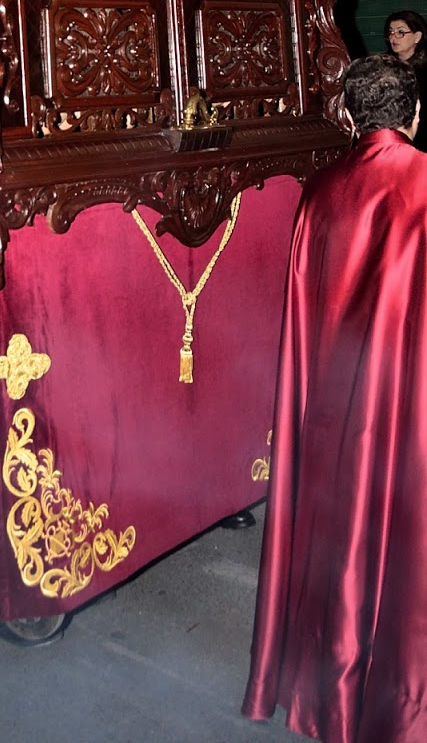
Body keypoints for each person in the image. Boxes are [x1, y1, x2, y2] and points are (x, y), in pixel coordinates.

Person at [243, 53, 427, 742]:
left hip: (332, 410)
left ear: (348, 116)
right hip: (412, 409)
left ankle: (328, 695)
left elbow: (302, 315)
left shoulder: (320, 191)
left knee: (339, 541)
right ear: (416, 115)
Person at [384, 9, 427, 152]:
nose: (393, 37)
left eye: (400, 32)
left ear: (417, 37)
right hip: (390, 135)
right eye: (391, 32)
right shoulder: (383, 66)